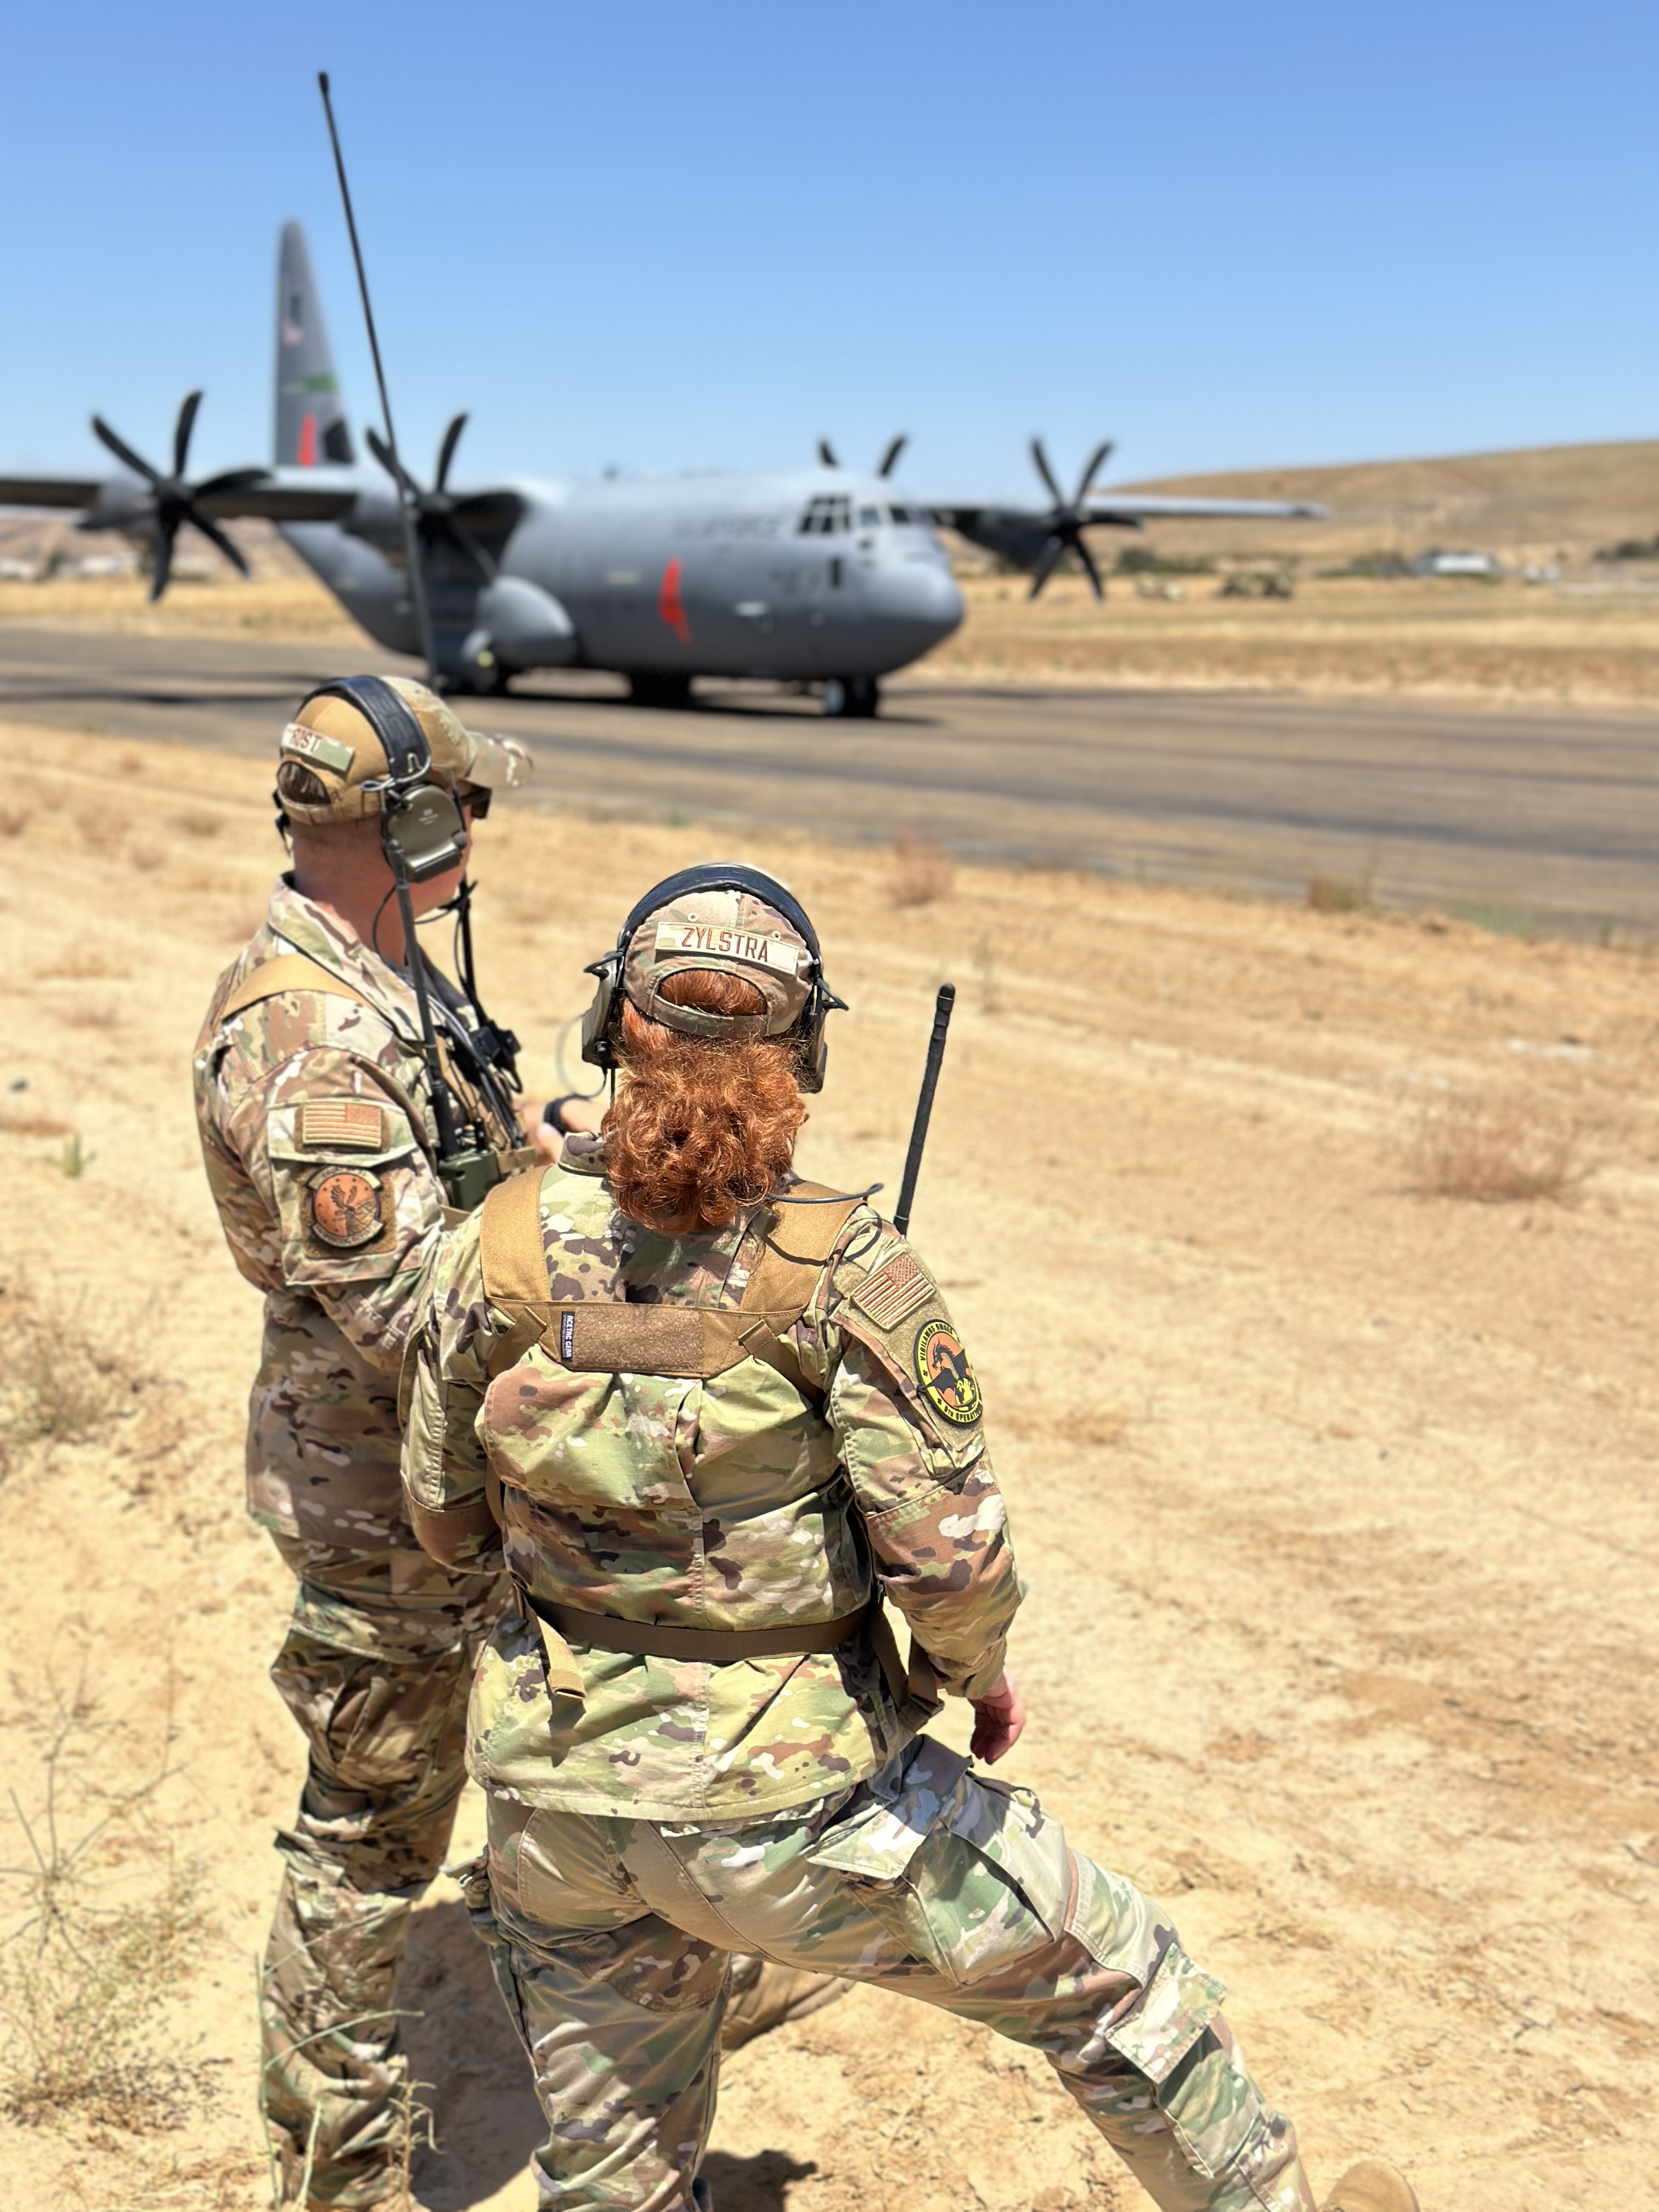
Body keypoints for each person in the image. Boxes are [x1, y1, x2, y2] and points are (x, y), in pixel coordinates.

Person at [399, 864, 1417, 2212]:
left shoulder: (506, 1243)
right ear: (801, 1050)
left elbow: (435, 1504)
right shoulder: (846, 1269)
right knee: (1111, 1978)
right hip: (789, 1815)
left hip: (555, 1807)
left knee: (614, 2164)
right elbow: (950, 1565)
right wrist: (964, 1677)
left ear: (611, 1028)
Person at [193, 695, 833, 2205]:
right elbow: (412, 1310)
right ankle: (337, 2175)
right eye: (461, 810)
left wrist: (577, 1152)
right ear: (408, 823)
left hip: (462, 1479)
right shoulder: (309, 1039)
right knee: (372, 1831)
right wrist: (634, 1287)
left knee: (568, 1794)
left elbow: (459, 1174)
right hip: (382, 1502)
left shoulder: (384, 984)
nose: (476, 835)